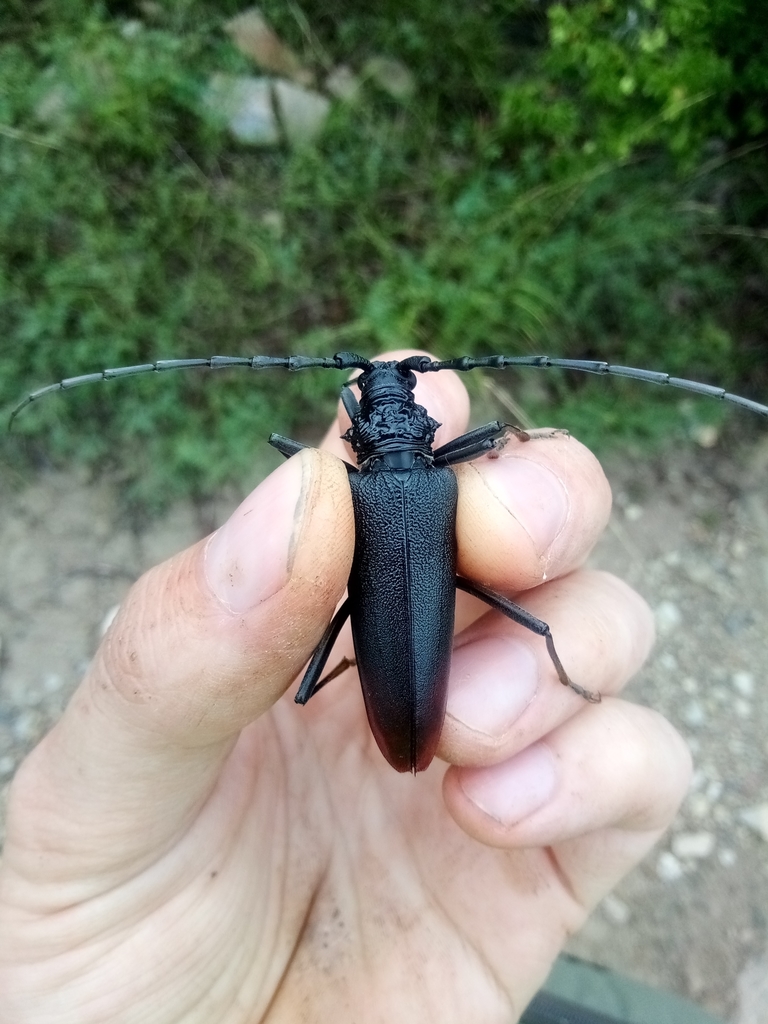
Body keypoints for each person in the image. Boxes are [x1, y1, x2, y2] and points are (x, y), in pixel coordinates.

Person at [0, 351, 691, 1022]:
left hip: (393, 676)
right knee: (533, 624)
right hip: (408, 667)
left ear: (360, 426)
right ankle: (552, 662)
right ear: (419, 422)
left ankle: (500, 664)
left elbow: (299, 450)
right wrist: (519, 435)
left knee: (352, 665)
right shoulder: (437, 477)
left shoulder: (343, 482)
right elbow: (494, 437)